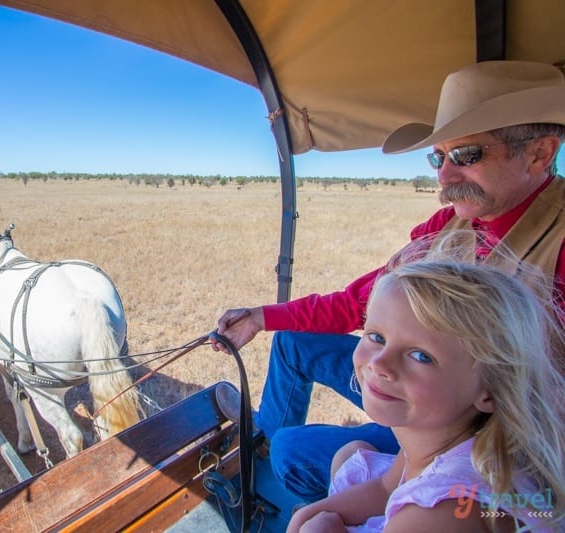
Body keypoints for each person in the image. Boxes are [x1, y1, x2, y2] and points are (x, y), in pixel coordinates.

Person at [211, 60, 565, 504]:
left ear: (539, 153)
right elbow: (359, 303)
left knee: (293, 452)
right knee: (292, 342)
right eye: (440, 157)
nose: (444, 176)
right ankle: (263, 434)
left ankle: (296, 500)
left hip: (483, 439)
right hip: (416, 383)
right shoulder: (447, 226)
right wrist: (262, 317)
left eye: (467, 156)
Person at [285, 256, 565, 532]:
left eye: (421, 356)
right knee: (350, 453)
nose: (379, 363)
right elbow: (388, 486)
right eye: (376, 337)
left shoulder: (438, 516)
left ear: (490, 392)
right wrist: (316, 511)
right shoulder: (433, 444)